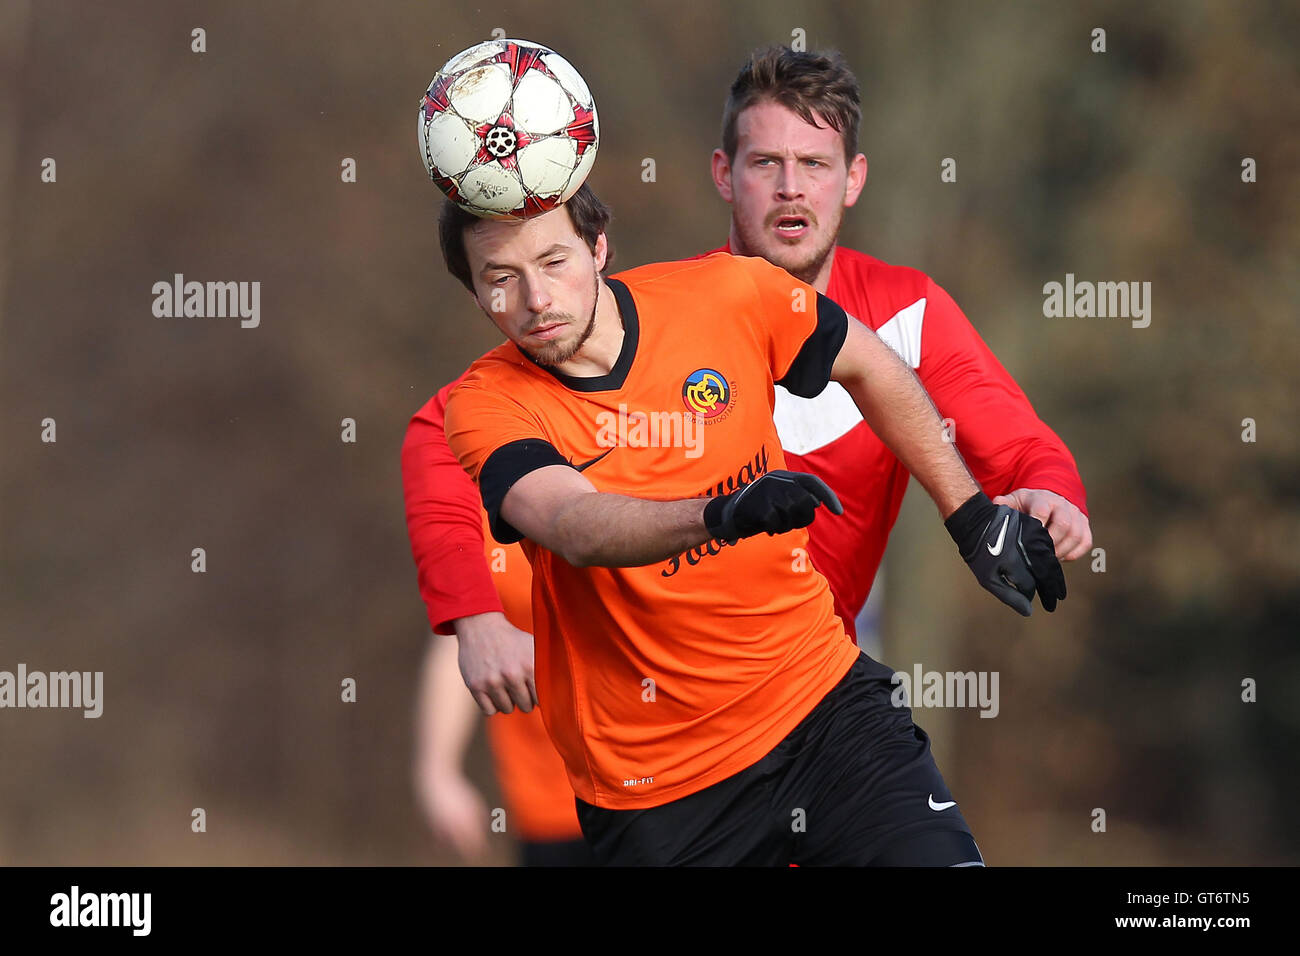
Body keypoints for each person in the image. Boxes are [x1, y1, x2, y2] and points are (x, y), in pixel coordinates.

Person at [435, 181, 1065, 865]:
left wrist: (969, 514)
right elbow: (572, 522)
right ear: (474, 294)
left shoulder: (728, 294)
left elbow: (869, 360)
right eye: (501, 279)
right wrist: (723, 514)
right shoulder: (484, 405)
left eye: (554, 262)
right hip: (659, 795)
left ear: (598, 247)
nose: (535, 300)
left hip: (824, 711)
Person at [404, 392, 594, 865]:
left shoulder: (648, 455)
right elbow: (458, 644)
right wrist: (438, 772)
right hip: (552, 804)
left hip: (679, 781)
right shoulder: (482, 497)